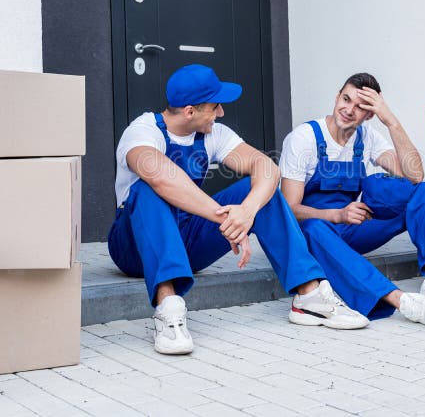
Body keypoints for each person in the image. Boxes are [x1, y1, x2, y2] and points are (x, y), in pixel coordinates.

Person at [108, 64, 368, 355]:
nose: (221, 113)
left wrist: (247, 211)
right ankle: (168, 307)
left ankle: (308, 294)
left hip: (187, 239)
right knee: (148, 188)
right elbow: (161, 176)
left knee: (258, 188)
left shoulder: (214, 133)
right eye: (216, 106)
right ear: (190, 111)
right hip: (133, 247)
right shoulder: (142, 131)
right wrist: (226, 217)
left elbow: (266, 167)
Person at [279, 72, 425, 328]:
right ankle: (402, 301)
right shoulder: (304, 138)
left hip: (351, 226)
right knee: (314, 229)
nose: (348, 110)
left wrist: (390, 120)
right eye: (346, 99)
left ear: (370, 114)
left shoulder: (367, 137)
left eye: (360, 107)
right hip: (316, 231)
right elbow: (289, 209)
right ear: (337, 96)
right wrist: (336, 215)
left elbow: (415, 175)